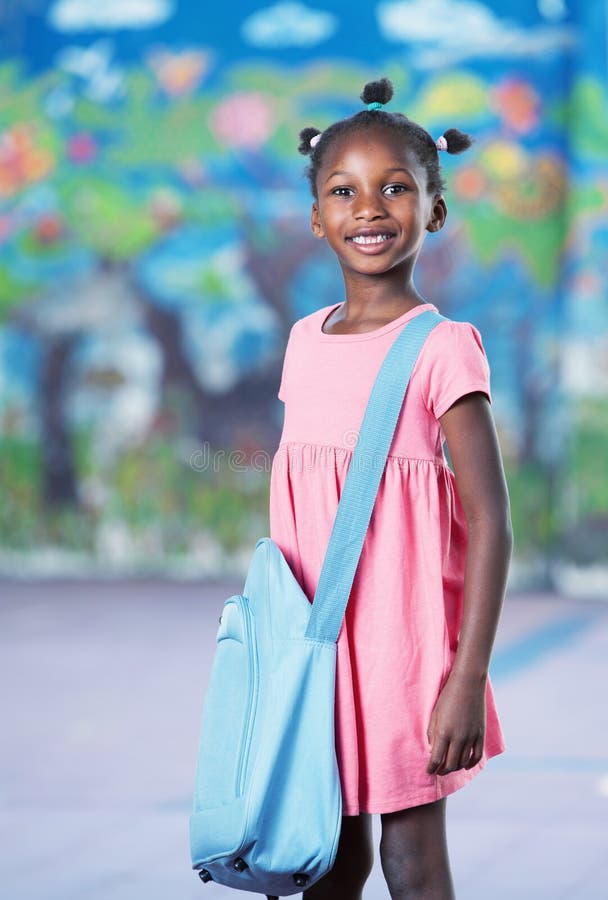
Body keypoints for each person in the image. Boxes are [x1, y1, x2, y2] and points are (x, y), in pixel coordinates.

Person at [268, 77, 513, 900]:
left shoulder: (444, 349)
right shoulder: (304, 342)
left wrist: (466, 677)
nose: (368, 208)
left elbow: (490, 519)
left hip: (404, 656)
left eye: (395, 188)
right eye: (344, 190)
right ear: (316, 217)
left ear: (434, 211)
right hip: (313, 653)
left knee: (412, 863)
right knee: (323, 859)